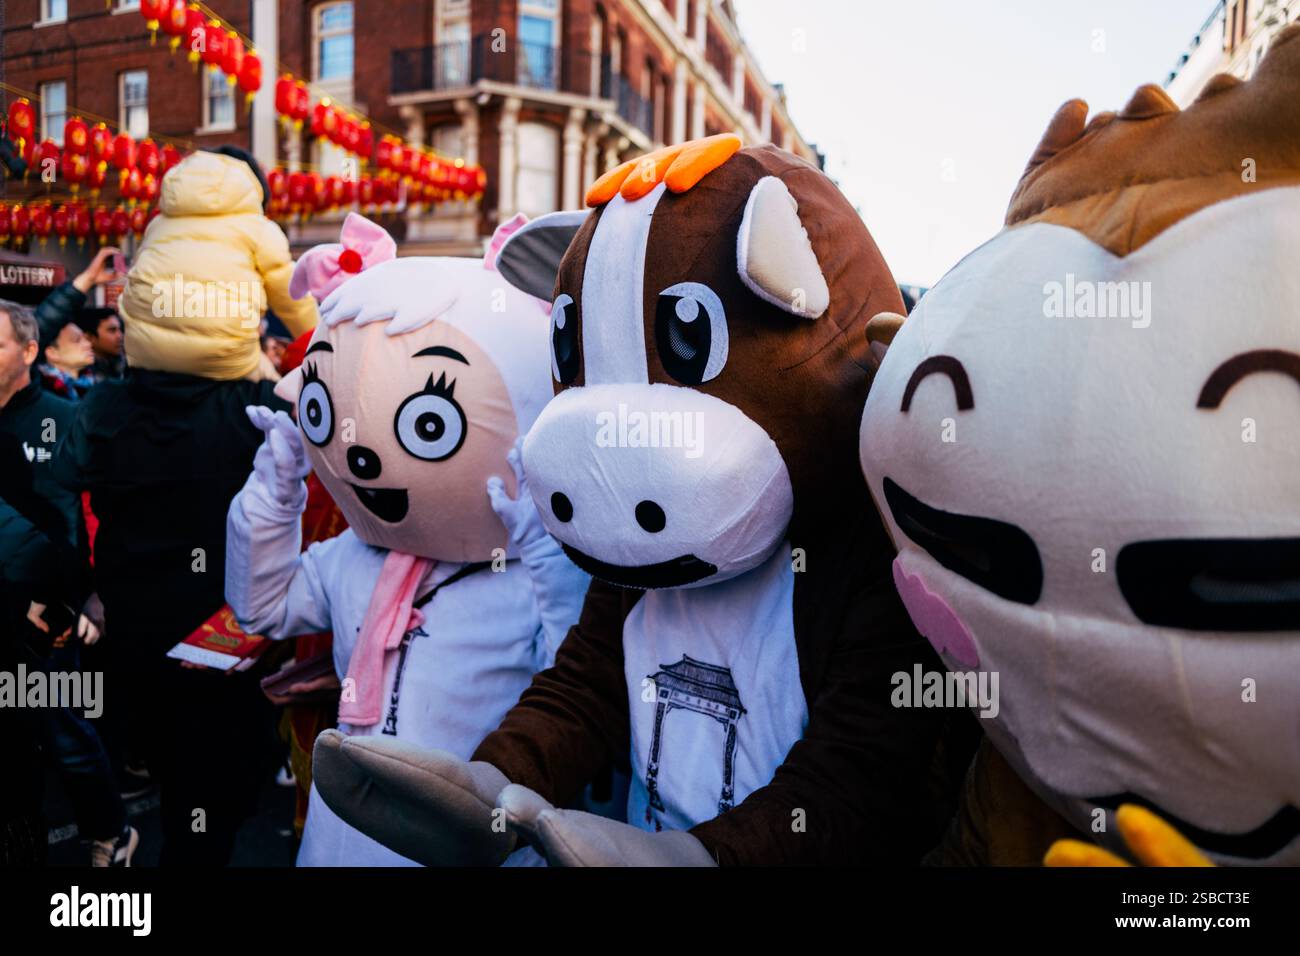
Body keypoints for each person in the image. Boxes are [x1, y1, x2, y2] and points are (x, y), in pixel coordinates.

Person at [53, 149, 319, 867]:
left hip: (138, 627)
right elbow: (305, 317)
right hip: (224, 635)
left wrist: (91, 591)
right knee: (211, 805)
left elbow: (77, 494)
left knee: (180, 784)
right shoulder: (261, 417)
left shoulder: (105, 409)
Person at [0, 298, 137, 866]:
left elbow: (104, 511)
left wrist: (96, 596)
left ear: (29, 352)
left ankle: (110, 831)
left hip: (53, 604)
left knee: (62, 730)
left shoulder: (64, 415)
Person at [117, 146, 317, 383]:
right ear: (254, 189)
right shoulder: (258, 229)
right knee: (282, 396)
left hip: (145, 358)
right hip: (226, 364)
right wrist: (320, 343)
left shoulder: (157, 226)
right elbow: (294, 301)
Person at [34, 247, 123, 400]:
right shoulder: (35, 392)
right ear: (52, 353)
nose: (87, 344)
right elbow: (41, 325)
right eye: (76, 340)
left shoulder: (100, 389)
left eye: (84, 338)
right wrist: (87, 279)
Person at [76, 308, 126, 382]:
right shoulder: (80, 376)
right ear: (89, 337)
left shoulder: (127, 368)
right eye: (112, 330)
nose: (120, 336)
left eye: (120, 330)